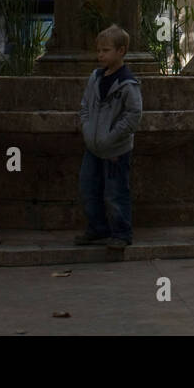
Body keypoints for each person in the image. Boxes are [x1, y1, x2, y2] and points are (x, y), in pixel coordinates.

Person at [76, 25, 142, 248]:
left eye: (105, 50)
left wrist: (112, 137)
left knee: (115, 193)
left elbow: (133, 115)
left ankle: (122, 233)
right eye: (99, 50)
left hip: (116, 149)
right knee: (88, 188)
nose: (100, 55)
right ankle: (97, 228)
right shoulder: (95, 78)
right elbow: (85, 106)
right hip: (93, 146)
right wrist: (87, 129)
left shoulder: (127, 83)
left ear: (121, 51)